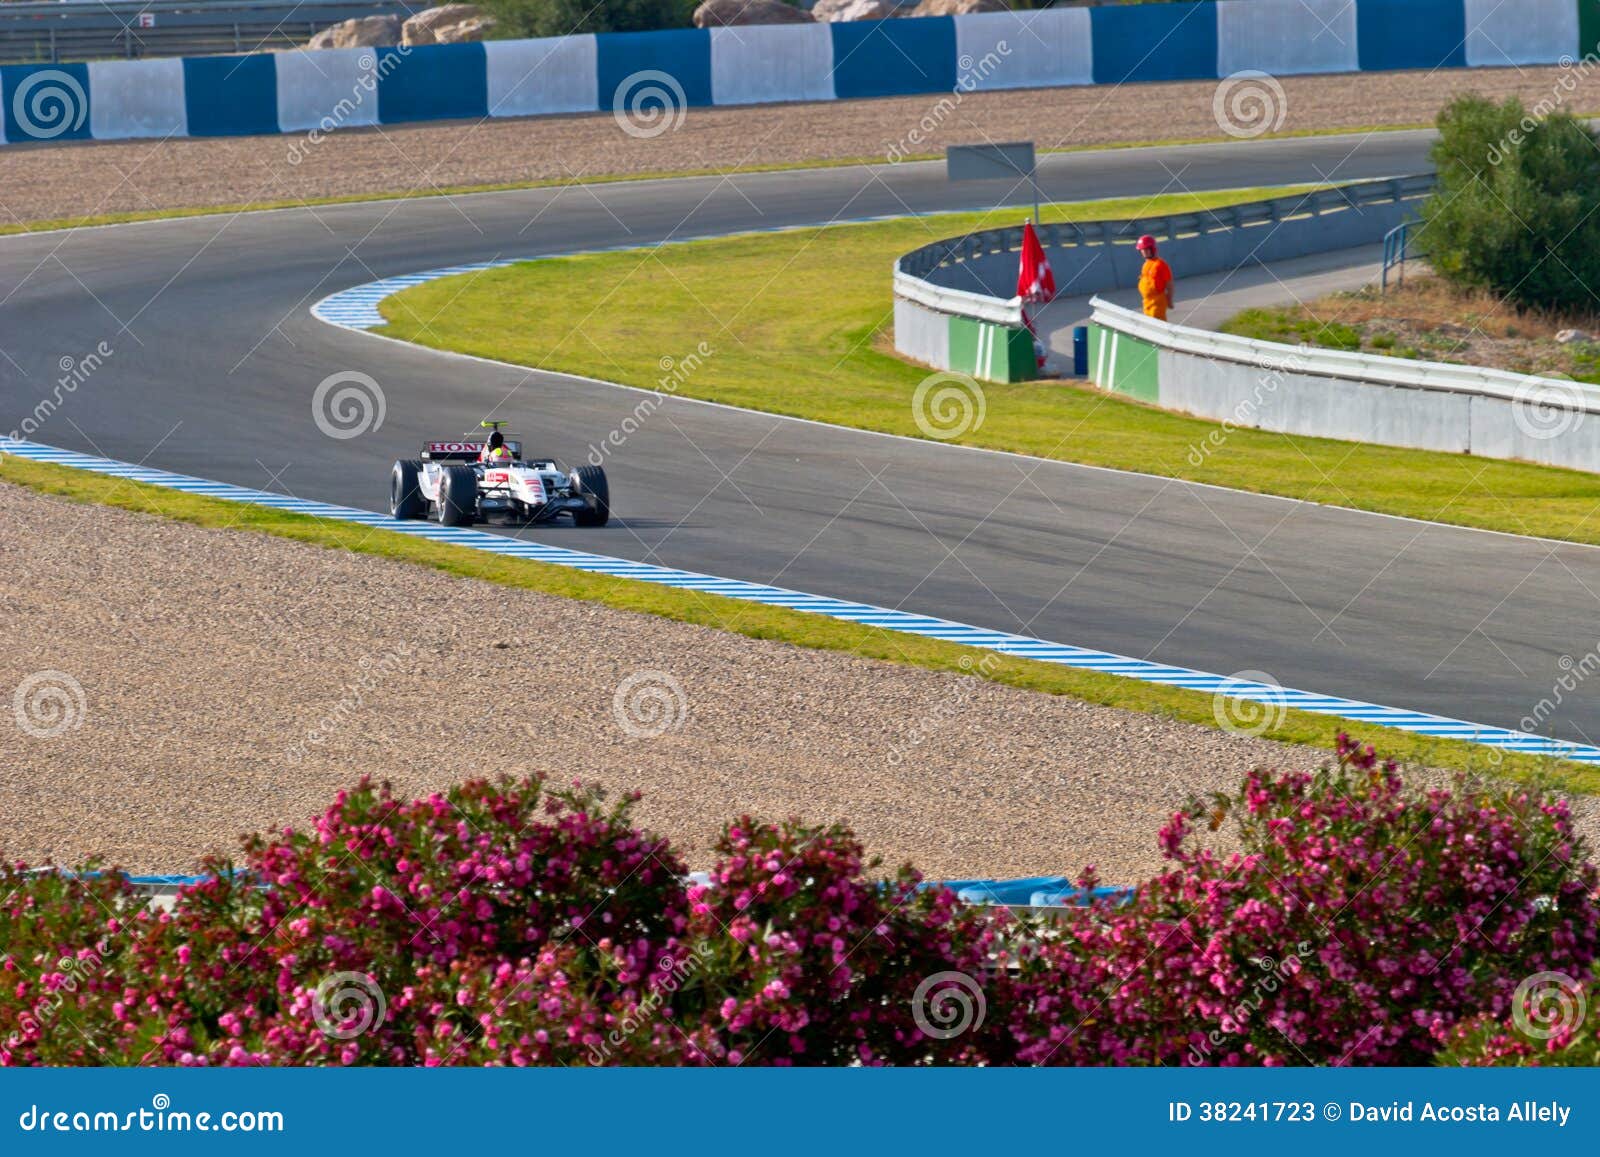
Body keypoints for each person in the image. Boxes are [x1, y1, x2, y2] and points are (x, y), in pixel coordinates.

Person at [1135, 235, 1174, 321]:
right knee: (1149, 325)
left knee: (1157, 325)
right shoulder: (1146, 265)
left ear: (1152, 249)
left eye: (1146, 249)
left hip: (1157, 302)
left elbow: (1169, 284)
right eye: (1142, 250)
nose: (1143, 252)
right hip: (1146, 302)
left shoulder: (1161, 265)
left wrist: (1169, 300)